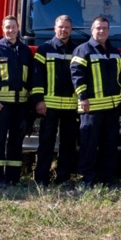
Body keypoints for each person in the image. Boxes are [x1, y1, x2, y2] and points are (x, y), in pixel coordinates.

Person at [71, 15, 121, 187]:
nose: (101, 31)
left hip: (111, 108)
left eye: (105, 28)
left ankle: (106, 179)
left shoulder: (114, 51)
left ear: (109, 31)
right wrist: (83, 97)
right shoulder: (83, 50)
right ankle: (86, 179)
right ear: (92, 30)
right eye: (98, 28)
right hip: (91, 108)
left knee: (109, 145)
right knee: (89, 145)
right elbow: (76, 76)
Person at [0, 15, 34, 186]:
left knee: (16, 141)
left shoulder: (26, 51)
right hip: (1, 106)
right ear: (3, 29)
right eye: (7, 27)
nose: (10, 30)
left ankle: (13, 178)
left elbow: (31, 80)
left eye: (13, 27)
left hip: (21, 106)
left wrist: (30, 104)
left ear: (18, 28)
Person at [32, 15, 80, 186]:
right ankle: (41, 178)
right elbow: (37, 77)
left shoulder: (77, 49)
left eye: (67, 27)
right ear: (54, 28)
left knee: (68, 144)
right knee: (46, 143)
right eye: (60, 27)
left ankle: (63, 178)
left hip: (71, 106)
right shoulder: (44, 49)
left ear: (71, 29)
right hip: (49, 106)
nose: (63, 30)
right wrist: (39, 100)